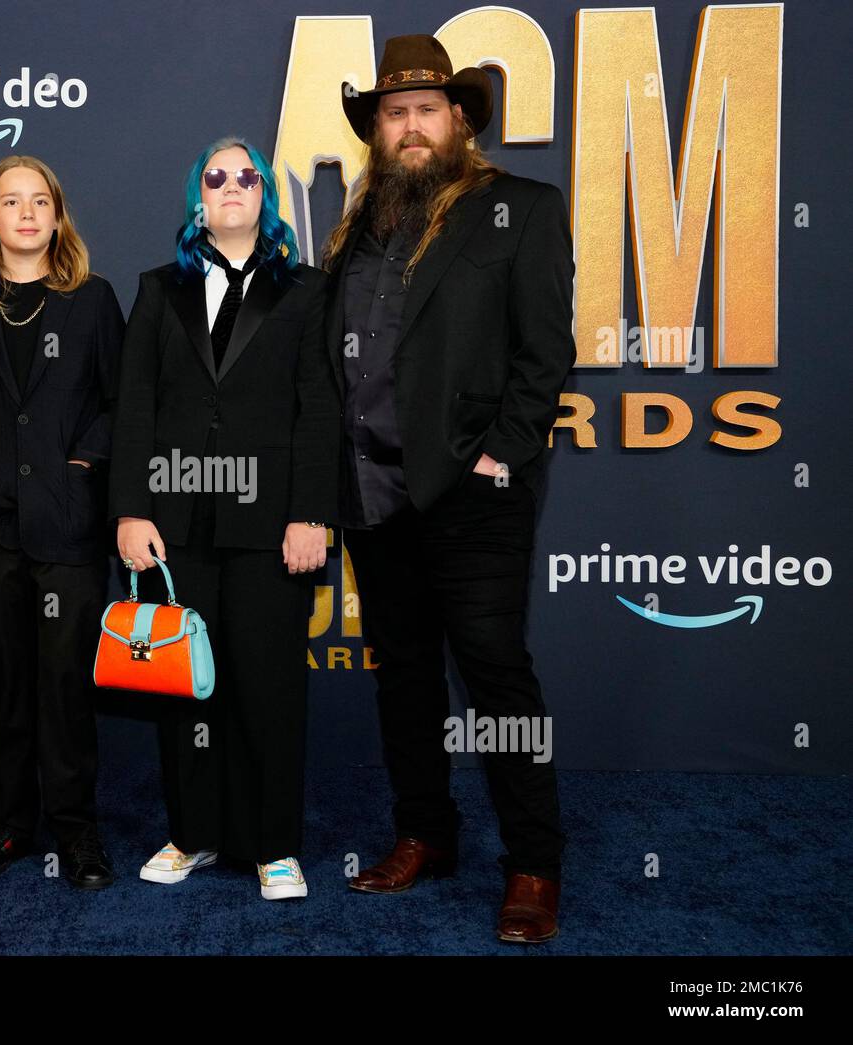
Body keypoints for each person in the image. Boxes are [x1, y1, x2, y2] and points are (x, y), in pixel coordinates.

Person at [323, 34, 574, 940]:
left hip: (473, 496)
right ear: (378, 131)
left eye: (429, 109)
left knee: (499, 683)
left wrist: (497, 456)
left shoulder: (522, 208)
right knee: (406, 681)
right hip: (372, 495)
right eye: (396, 112)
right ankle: (426, 832)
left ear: (461, 121)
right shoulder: (357, 227)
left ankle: (534, 862)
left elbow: (546, 355)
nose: (412, 125)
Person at [109, 136, 339, 900]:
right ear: (197, 199)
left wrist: (311, 512)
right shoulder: (156, 288)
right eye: (217, 176)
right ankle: (193, 833)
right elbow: (133, 408)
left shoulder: (306, 290)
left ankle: (274, 845)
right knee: (187, 687)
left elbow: (318, 411)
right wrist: (131, 511)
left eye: (248, 176)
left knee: (269, 685)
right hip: (177, 523)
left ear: (264, 197)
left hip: (272, 523)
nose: (232, 185)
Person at [0, 155, 124, 889]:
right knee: (6, 687)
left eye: (39, 202)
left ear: (57, 216)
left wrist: (83, 464)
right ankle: (8, 825)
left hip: (69, 531)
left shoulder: (93, 301)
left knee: (65, 689)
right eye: (9, 201)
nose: (25, 213)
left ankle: (78, 831)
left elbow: (122, 403)